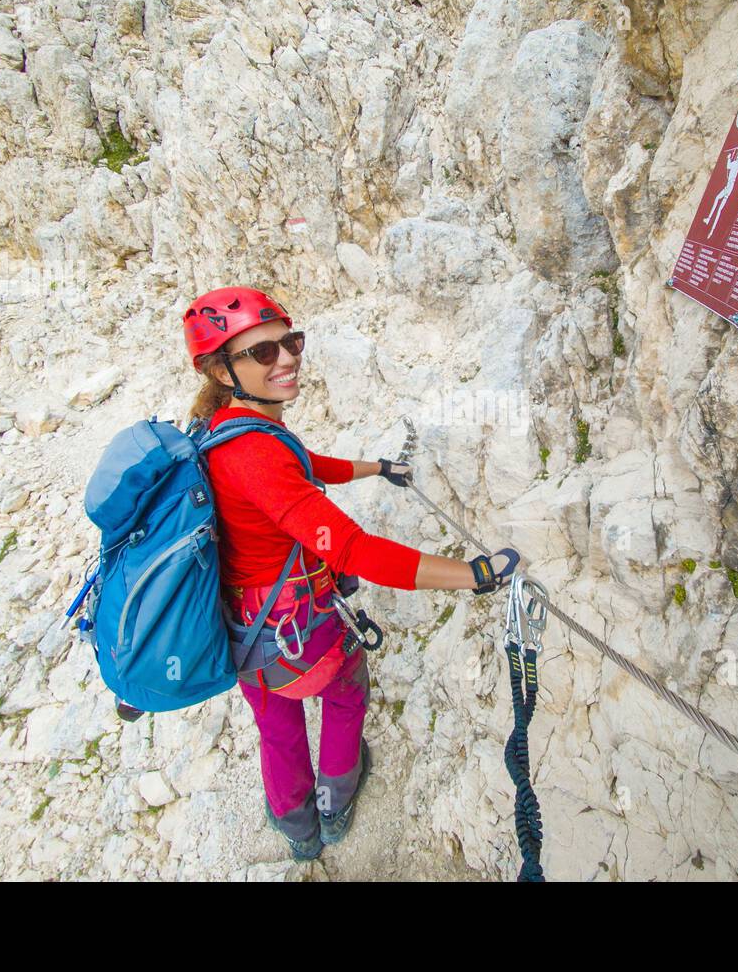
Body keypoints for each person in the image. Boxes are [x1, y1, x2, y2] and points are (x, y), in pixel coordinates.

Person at [181, 286, 520, 862]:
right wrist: (474, 573)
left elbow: (310, 466)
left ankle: (296, 825)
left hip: (240, 624)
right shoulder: (254, 453)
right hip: (294, 630)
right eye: (263, 353)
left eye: (290, 343)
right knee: (343, 691)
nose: (286, 359)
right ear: (221, 368)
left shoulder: (228, 427)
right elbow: (352, 551)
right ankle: (335, 802)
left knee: (276, 722)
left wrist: (378, 468)